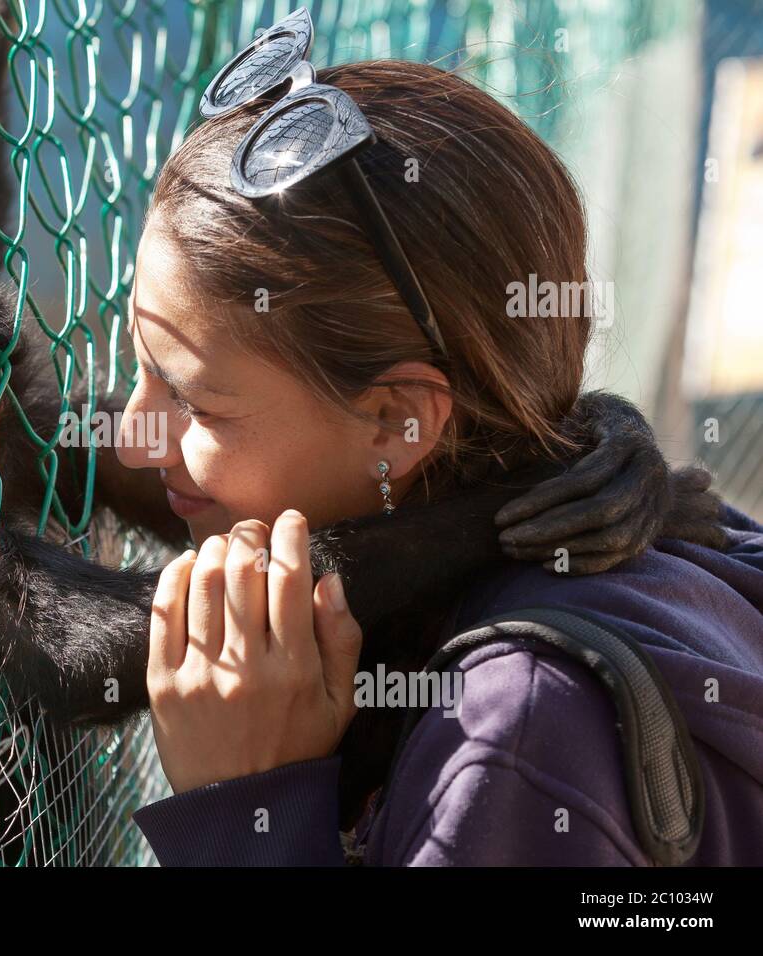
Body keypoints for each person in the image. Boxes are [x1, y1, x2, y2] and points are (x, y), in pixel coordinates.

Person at [114, 55, 763, 865]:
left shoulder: (511, 741)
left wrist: (247, 815)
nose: (131, 432)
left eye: (194, 402)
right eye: (137, 365)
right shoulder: (638, 524)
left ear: (397, 421)